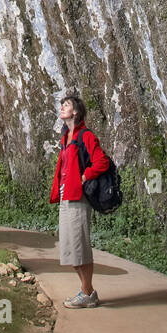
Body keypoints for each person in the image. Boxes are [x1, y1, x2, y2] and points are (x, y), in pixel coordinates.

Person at [49, 92, 109, 308]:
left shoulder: (85, 135)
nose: (62, 107)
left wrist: (84, 176)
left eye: (66, 105)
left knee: (79, 245)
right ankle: (87, 291)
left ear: (75, 111)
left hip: (78, 196)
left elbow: (101, 162)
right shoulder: (67, 137)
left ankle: (87, 293)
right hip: (67, 195)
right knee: (69, 246)